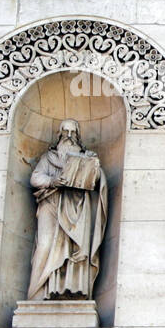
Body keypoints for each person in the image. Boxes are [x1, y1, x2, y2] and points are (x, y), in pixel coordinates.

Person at [26, 119, 108, 301]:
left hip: (77, 207)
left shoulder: (87, 156)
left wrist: (93, 171)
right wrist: (53, 181)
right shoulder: (49, 158)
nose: (69, 137)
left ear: (78, 135)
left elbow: (96, 180)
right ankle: (37, 293)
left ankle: (71, 289)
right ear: (59, 134)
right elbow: (35, 177)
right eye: (65, 132)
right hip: (51, 203)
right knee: (45, 245)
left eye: (73, 133)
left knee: (74, 250)